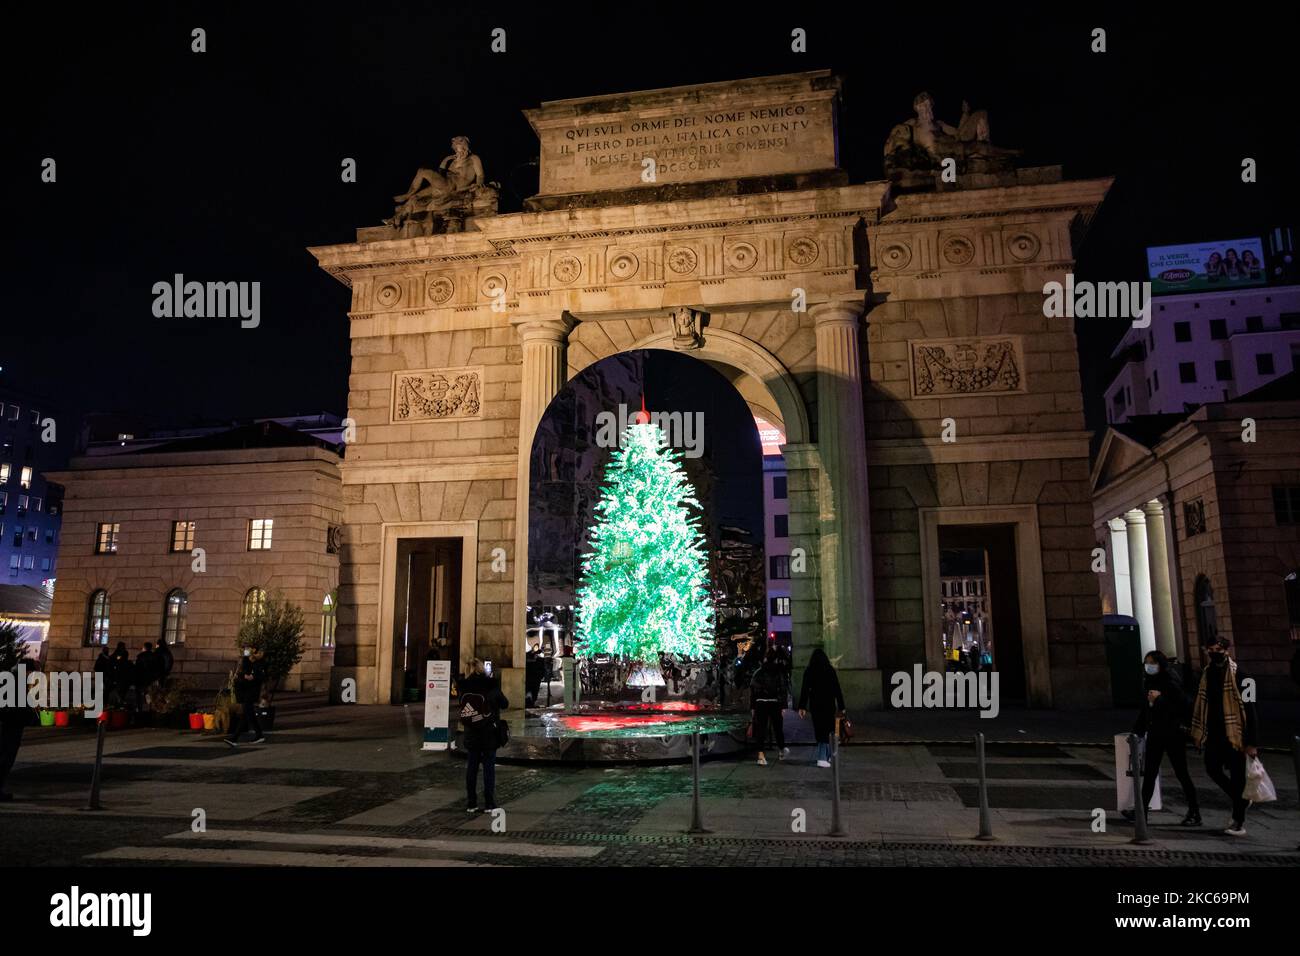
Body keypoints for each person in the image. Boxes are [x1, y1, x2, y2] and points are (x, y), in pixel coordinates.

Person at [1190, 636, 1259, 836]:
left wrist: (1252, 742)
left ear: (1227, 650)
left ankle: (1238, 821)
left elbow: (1251, 711)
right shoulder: (1206, 674)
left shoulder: (1244, 677)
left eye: (1218, 649)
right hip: (1215, 733)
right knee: (1211, 768)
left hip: (1236, 735)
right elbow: (1202, 703)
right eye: (1210, 649)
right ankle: (1242, 800)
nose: (1214, 653)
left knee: (1238, 778)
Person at [1128, 650, 1200, 826]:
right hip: (1155, 733)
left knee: (1181, 773)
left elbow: (1184, 704)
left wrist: (1159, 699)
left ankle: (1194, 811)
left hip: (1173, 734)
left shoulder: (1170, 681)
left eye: (1152, 663)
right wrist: (1137, 731)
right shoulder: (1149, 681)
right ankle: (1142, 811)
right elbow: (1146, 709)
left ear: (1160, 664)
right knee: (1150, 772)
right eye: (1147, 662)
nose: (1149, 666)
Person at [458, 658, 508, 813]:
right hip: (489, 732)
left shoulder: (464, 687)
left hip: (471, 732)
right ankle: (489, 803)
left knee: (471, 768)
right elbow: (505, 703)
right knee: (488, 768)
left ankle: (471, 803)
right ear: (482, 669)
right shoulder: (490, 685)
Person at [799, 648, 846, 768]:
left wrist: (802, 706)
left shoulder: (809, 671)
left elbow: (804, 689)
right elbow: (837, 689)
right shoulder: (829, 670)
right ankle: (824, 756)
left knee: (820, 730)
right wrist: (841, 706)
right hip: (828, 704)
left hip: (815, 704)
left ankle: (824, 756)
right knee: (829, 729)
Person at [750, 648, 789, 766]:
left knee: (761, 728)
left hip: (761, 702)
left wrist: (753, 706)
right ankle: (781, 750)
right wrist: (783, 706)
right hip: (775, 702)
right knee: (778, 728)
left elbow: (753, 690)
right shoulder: (779, 672)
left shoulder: (758, 672)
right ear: (776, 658)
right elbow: (783, 689)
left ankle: (761, 755)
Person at [224, 649, 267, 747]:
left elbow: (261, 676)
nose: (251, 655)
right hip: (246, 692)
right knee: (249, 715)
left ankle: (234, 738)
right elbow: (244, 668)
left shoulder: (259, 664)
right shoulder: (248, 662)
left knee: (246, 715)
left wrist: (253, 677)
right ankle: (259, 735)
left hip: (251, 693)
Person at [134, 643, 157, 712]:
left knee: (139, 694)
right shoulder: (154, 656)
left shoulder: (140, 656)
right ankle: (149, 708)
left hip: (141, 679)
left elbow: (137, 668)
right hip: (150, 678)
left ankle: (139, 708)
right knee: (149, 693)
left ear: (144, 648)